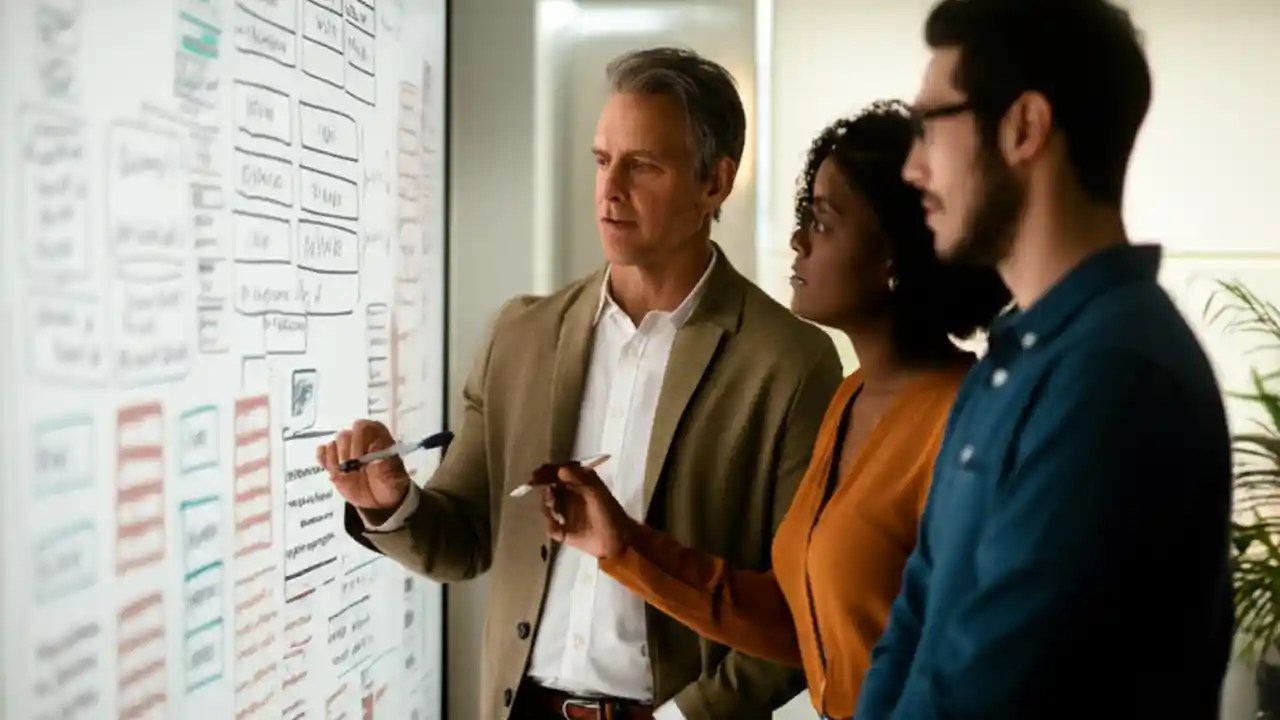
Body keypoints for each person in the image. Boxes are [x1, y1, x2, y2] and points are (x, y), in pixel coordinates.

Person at [318, 47, 845, 720]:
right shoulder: (520, 333)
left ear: (715, 182)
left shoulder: (790, 362)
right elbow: (467, 540)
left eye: (642, 165)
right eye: (601, 160)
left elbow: (801, 608)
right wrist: (391, 504)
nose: (609, 188)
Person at [537, 100, 1010, 720]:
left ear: (893, 253)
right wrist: (622, 545)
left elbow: (987, 664)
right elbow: (798, 624)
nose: (798, 239)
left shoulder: (964, 423)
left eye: (822, 220)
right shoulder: (851, 397)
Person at [853, 1, 1235, 718]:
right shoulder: (1011, 356)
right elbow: (916, 620)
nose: (912, 167)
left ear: (1023, 128)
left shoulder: (1115, 377)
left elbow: (995, 687)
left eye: (930, 125)